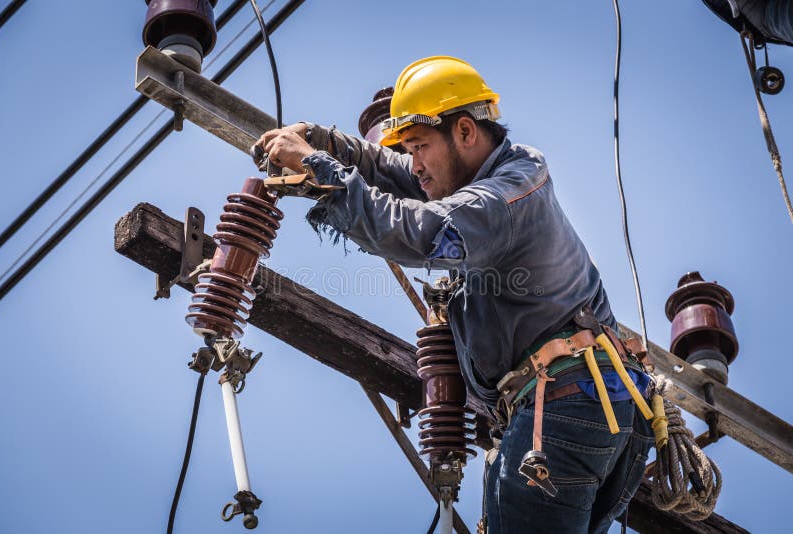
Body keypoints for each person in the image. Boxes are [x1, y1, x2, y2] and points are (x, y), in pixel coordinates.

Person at [254, 56, 654, 534]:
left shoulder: (502, 195)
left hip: (567, 406)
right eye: (410, 148)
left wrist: (313, 166)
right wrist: (321, 140)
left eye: (420, 146)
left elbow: (421, 232)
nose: (415, 164)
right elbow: (389, 168)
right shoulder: (476, 177)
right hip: (594, 407)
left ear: (465, 131)